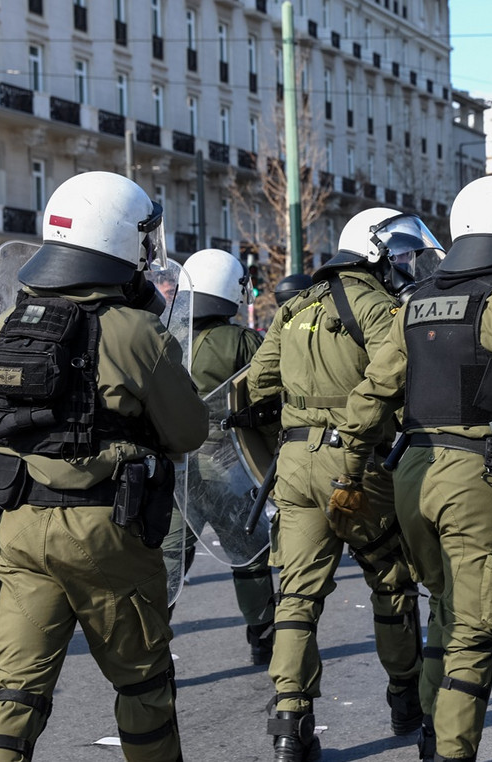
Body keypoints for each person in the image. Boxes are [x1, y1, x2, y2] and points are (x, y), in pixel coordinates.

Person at [337, 176, 492, 762]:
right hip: (475, 475)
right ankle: (450, 751)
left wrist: (347, 474)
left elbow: (375, 393)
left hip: (411, 473)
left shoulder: (416, 300)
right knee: (476, 627)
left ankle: (429, 728)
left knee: (444, 608)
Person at [0, 170, 208, 761]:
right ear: (120, 240)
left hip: (20, 528)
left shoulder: (0, 328)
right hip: (106, 533)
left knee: (13, 695)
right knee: (144, 685)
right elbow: (188, 432)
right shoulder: (134, 331)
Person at [247, 208, 440, 761]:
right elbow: (398, 369)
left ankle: (290, 721)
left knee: (297, 593)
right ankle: (406, 697)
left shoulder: (295, 306)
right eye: (399, 253)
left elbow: (257, 383)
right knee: (390, 577)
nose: (406, 261)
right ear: (374, 253)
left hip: (293, 462)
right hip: (354, 463)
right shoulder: (378, 306)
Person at [162, 248, 276, 666]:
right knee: (249, 551)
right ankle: (262, 634)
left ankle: (152, 639)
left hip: (176, 467)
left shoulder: (165, 336)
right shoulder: (243, 341)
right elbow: (266, 398)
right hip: (227, 465)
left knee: (170, 557)